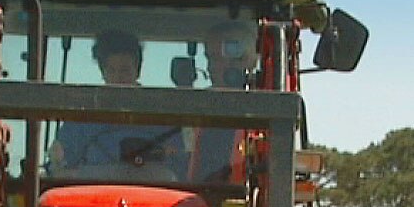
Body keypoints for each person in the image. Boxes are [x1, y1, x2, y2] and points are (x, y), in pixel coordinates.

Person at [48, 30, 186, 180]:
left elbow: (181, 167)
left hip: (152, 195)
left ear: (137, 70)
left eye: (125, 70)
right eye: (111, 70)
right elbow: (61, 167)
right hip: (93, 197)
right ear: (103, 72)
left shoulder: (162, 117)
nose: (118, 78)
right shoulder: (82, 118)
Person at [189, 22, 260, 182]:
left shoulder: (265, 109)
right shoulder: (196, 106)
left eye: (218, 58)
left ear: (246, 60)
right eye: (209, 58)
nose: (210, 67)